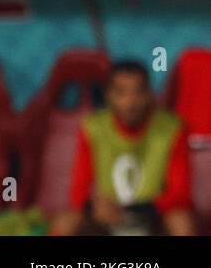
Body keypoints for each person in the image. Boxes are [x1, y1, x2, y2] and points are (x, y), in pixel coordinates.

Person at [53, 60, 196, 235]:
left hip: (153, 216)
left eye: (138, 92)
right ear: (108, 95)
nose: (130, 102)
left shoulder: (172, 129)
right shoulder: (93, 127)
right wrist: (95, 206)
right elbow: (78, 194)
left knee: (181, 221)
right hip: (106, 218)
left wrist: (135, 208)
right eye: (121, 93)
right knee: (66, 222)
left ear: (150, 94)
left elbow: (180, 194)